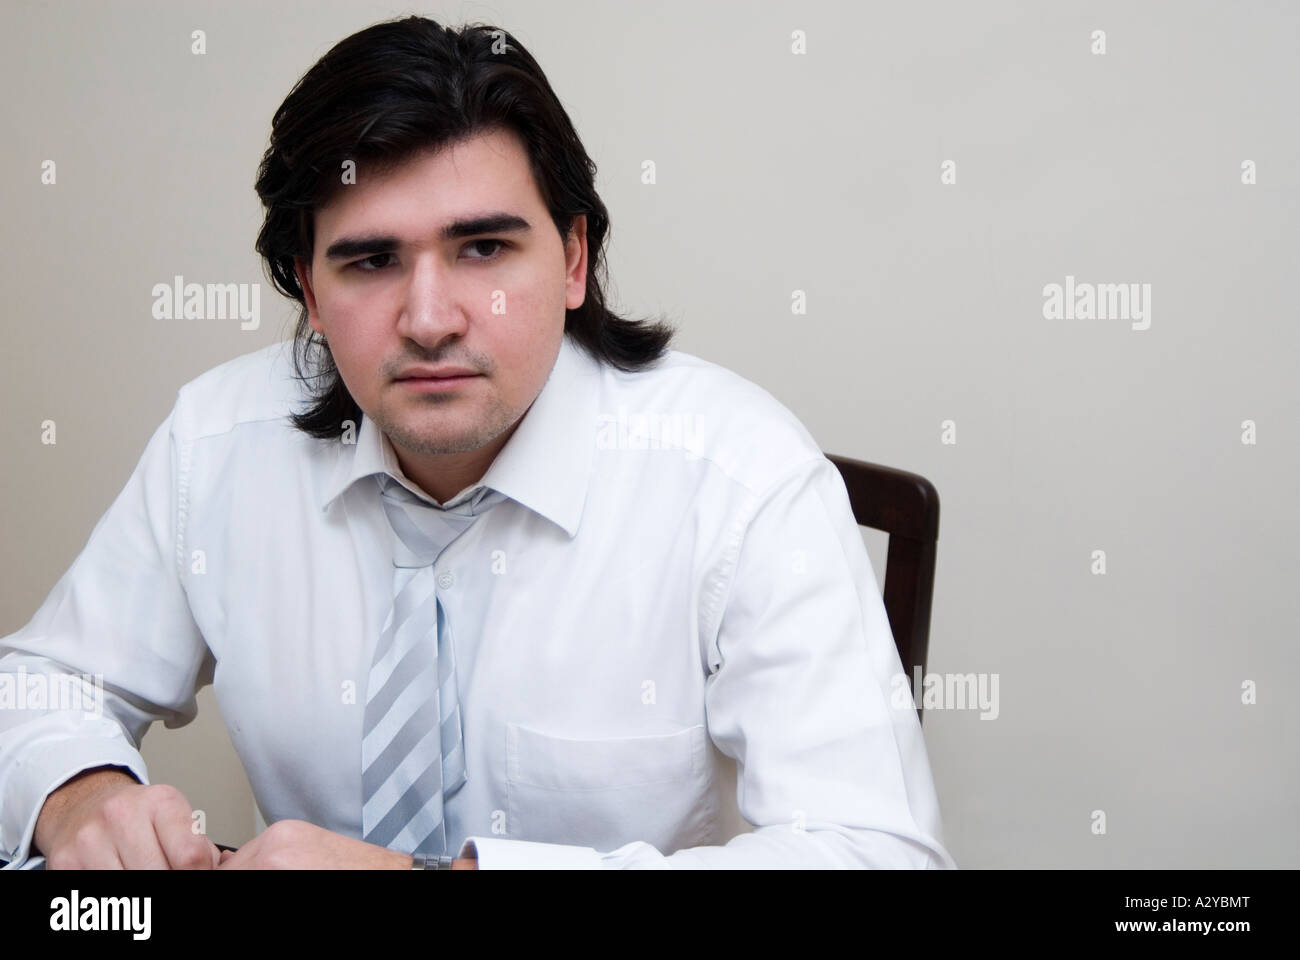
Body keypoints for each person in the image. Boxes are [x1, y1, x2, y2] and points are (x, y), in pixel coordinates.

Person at [0, 15, 955, 870]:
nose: (429, 319)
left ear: (575, 259)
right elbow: (40, 683)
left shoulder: (743, 480)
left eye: (484, 249)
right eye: (371, 261)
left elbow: (878, 852)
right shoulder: (215, 442)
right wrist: (77, 790)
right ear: (308, 286)